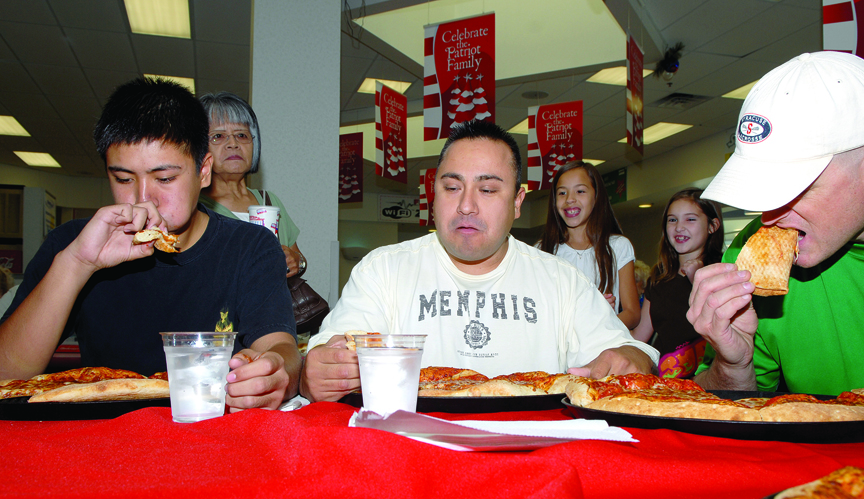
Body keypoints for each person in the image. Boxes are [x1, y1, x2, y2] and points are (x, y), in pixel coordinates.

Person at [300, 120, 658, 403]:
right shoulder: (383, 270)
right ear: (433, 193)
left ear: (518, 202)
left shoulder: (562, 280)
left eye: (487, 190)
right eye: (452, 187)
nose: (466, 205)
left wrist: (633, 360)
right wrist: (312, 373)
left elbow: (631, 354)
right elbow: (323, 359)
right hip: (414, 463)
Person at [0, 78, 301, 411]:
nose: (144, 199)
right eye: (124, 179)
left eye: (165, 178)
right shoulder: (72, 244)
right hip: (102, 442)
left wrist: (272, 372)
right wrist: (76, 264)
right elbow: (7, 374)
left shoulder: (250, 246)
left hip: (209, 433)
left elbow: (281, 348)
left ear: (203, 172)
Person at [687, 51, 864, 395]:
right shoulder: (748, 255)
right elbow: (721, 408)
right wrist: (732, 365)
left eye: (795, 186)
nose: (770, 217)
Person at [198, 91, 306, 278]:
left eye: (241, 135)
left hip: (274, 305)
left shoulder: (269, 201)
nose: (233, 143)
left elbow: (298, 257)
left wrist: (297, 261)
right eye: (218, 136)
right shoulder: (194, 207)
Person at [631, 188, 723, 378]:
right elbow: (639, 336)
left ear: (712, 226)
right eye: (672, 220)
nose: (679, 227)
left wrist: (697, 278)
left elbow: (724, 326)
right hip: (666, 381)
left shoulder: (723, 269)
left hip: (709, 382)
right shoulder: (659, 275)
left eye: (690, 219)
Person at [537, 161, 640, 329]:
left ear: (596, 196)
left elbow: (633, 314)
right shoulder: (543, 250)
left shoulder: (618, 246)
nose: (570, 199)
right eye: (562, 193)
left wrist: (602, 323)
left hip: (603, 348)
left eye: (580, 191)